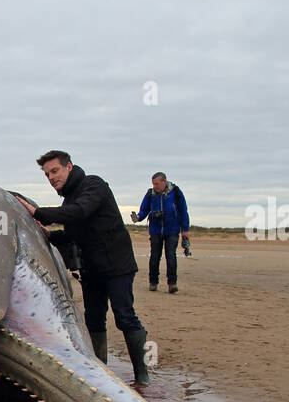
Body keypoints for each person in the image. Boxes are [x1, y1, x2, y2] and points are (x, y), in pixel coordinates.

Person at [16, 150, 150, 385]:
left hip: (117, 265)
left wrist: (37, 212)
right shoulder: (68, 200)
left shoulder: (94, 185)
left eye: (55, 171)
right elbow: (74, 233)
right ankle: (100, 371)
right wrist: (50, 235)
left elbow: (80, 212)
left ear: (69, 167)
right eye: (47, 175)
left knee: (125, 316)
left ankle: (142, 374)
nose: (51, 178)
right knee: (95, 319)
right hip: (92, 270)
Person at [130, 172, 189, 293]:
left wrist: (185, 231)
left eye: (156, 183)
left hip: (172, 230)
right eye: (153, 184)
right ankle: (153, 282)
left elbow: (183, 212)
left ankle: (172, 284)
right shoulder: (150, 194)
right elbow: (144, 210)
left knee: (171, 256)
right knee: (154, 257)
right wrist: (138, 217)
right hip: (155, 230)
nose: (155, 186)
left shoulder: (176, 192)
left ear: (164, 181)